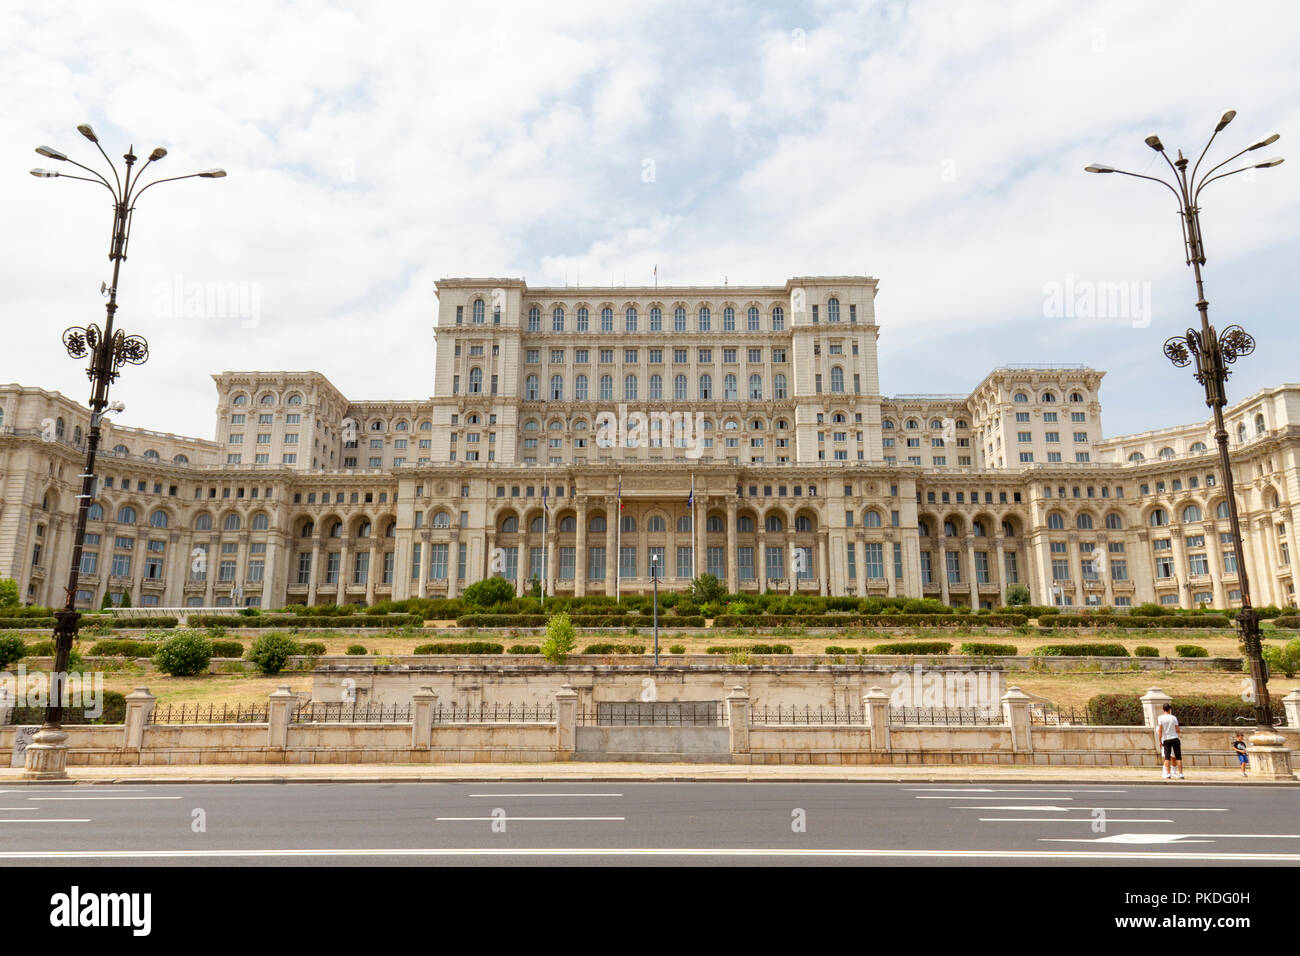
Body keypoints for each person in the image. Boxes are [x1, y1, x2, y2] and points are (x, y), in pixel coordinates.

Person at [1155, 702, 1183, 780]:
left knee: (1167, 757)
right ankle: (1181, 774)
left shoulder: (1160, 718)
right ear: (1170, 709)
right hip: (1175, 738)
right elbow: (1178, 730)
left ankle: (1168, 774)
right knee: (1178, 757)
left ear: (1163, 709)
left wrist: (1160, 741)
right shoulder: (1174, 718)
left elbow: (1160, 730)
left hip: (1166, 739)